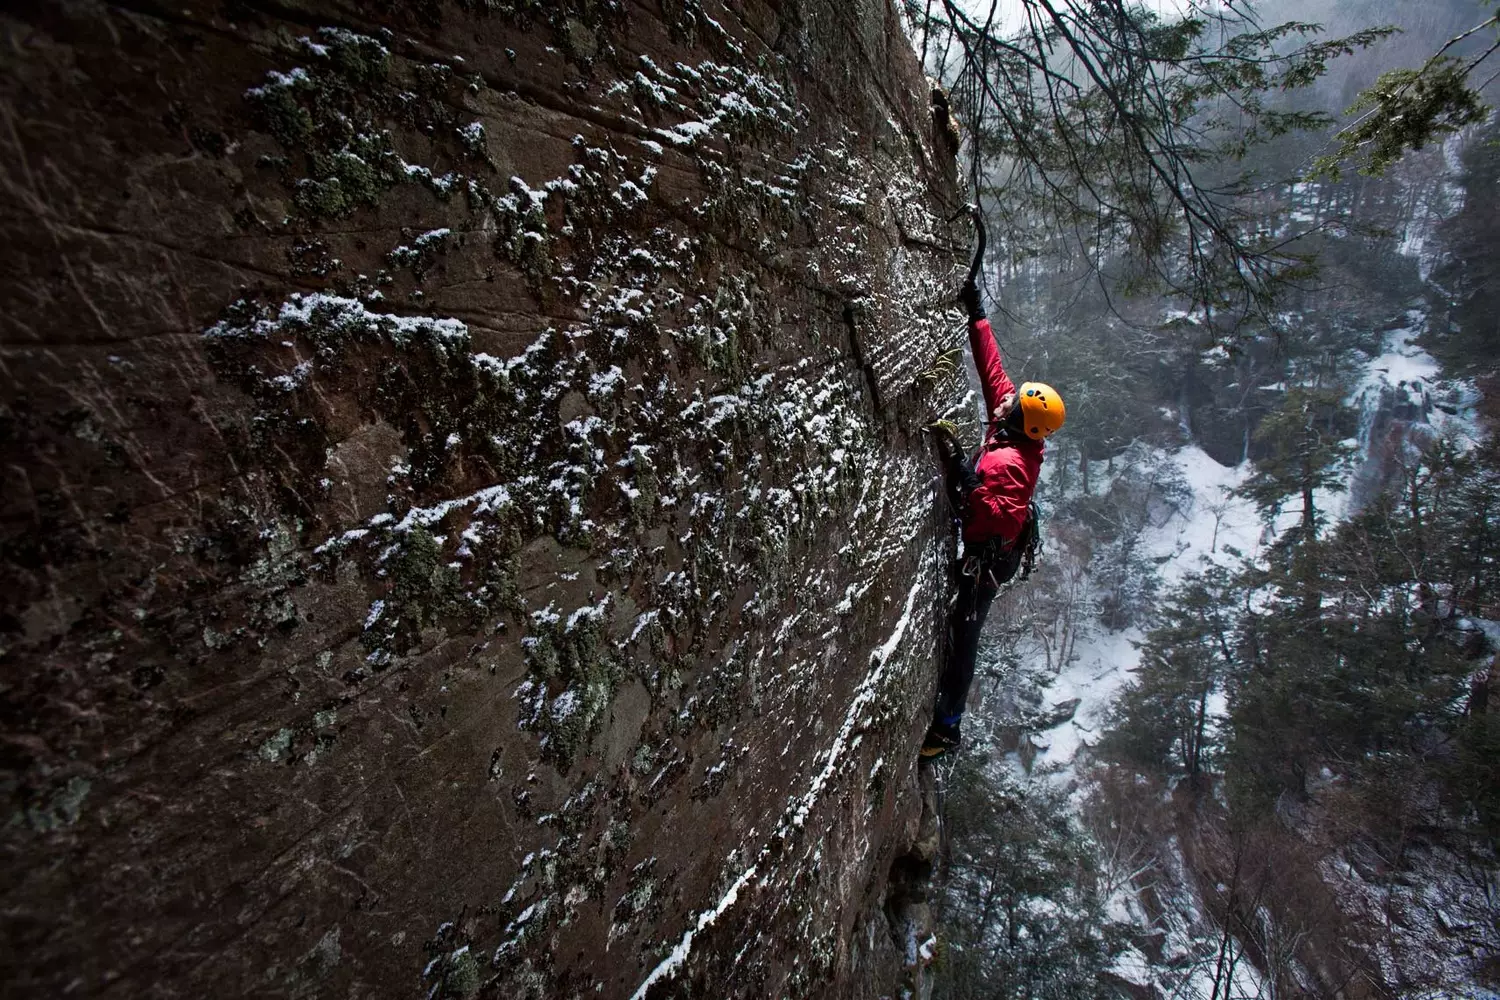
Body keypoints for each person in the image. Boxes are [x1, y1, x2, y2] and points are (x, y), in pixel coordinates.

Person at [920, 279, 1065, 759]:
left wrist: (962, 468)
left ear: (1022, 421)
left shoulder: (1010, 466)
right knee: (963, 626)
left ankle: (947, 727)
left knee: (967, 629)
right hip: (1000, 533)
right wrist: (976, 310)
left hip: (992, 555)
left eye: (1013, 402)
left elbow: (983, 512)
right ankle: (948, 724)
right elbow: (993, 371)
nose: (1003, 399)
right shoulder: (1014, 422)